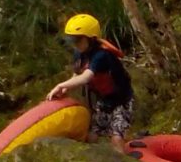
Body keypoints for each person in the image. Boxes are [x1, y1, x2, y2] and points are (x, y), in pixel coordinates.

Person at [45, 14, 133, 143]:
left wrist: (60, 85)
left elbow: (86, 77)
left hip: (122, 101)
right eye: (72, 41)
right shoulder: (79, 54)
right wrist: (65, 90)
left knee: (116, 138)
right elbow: (77, 75)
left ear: (91, 39)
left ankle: (123, 160)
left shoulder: (102, 55)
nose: (75, 44)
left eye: (78, 40)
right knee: (92, 136)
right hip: (103, 101)